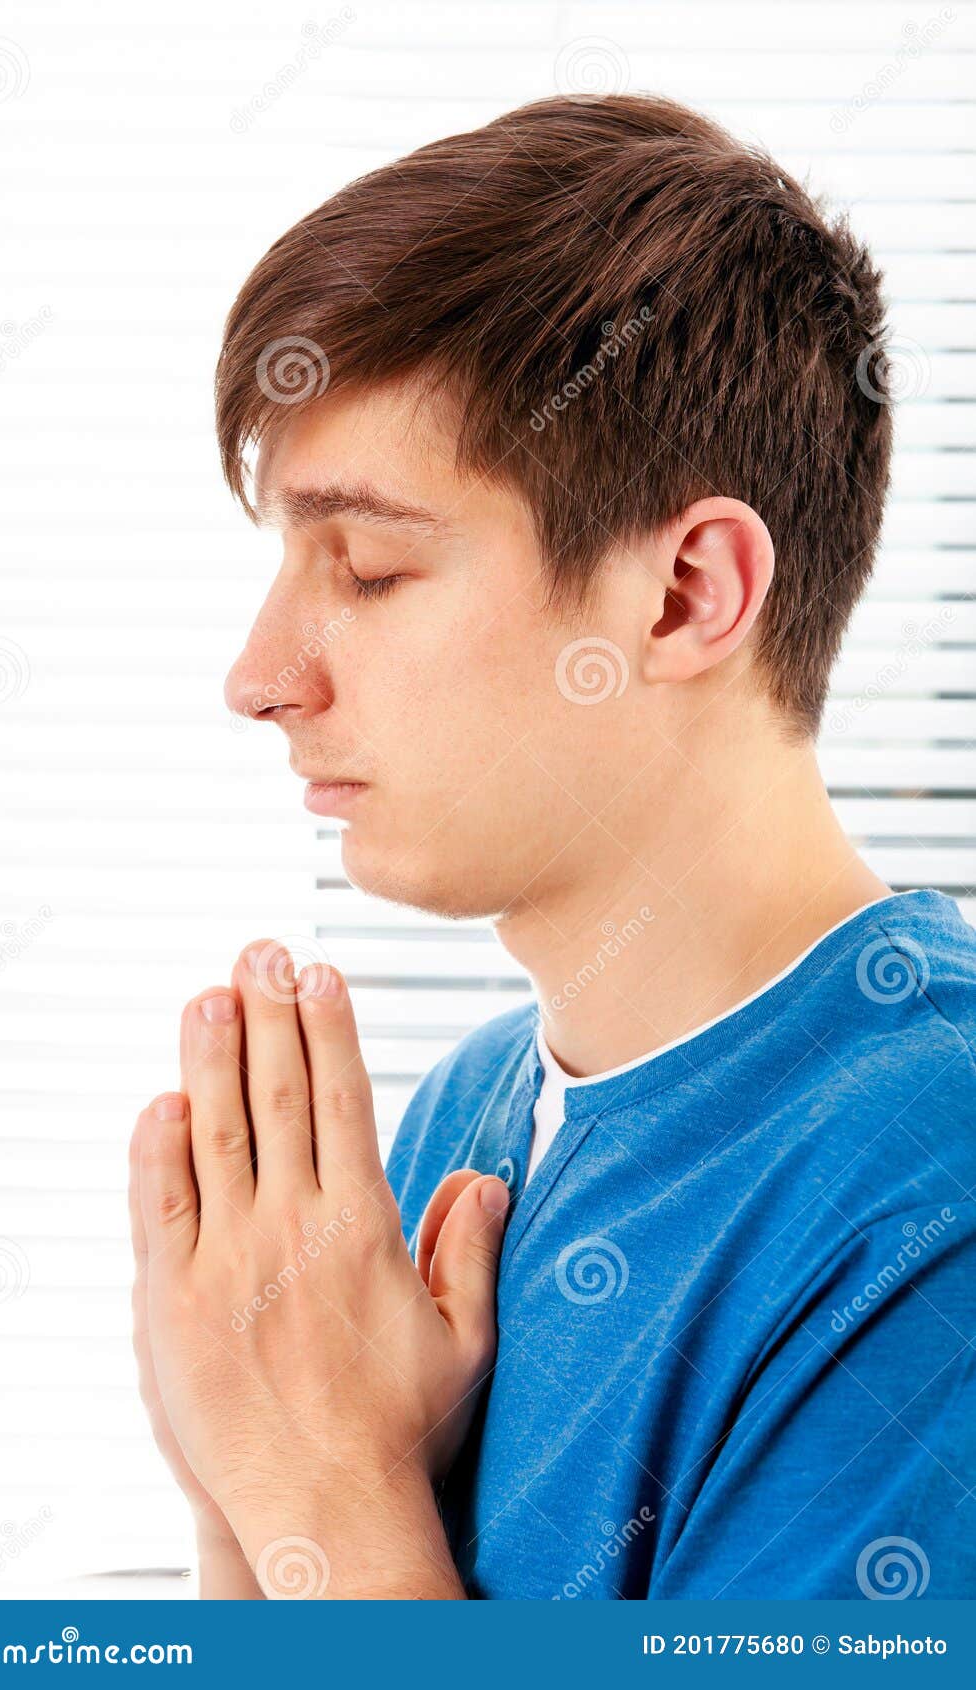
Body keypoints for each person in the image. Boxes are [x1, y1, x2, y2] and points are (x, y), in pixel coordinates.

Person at [128, 93, 976, 1599]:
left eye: (372, 569)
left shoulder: (926, 1199)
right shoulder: (465, 1119)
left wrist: (320, 1474)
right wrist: (242, 1486)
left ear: (684, 594)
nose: (261, 677)